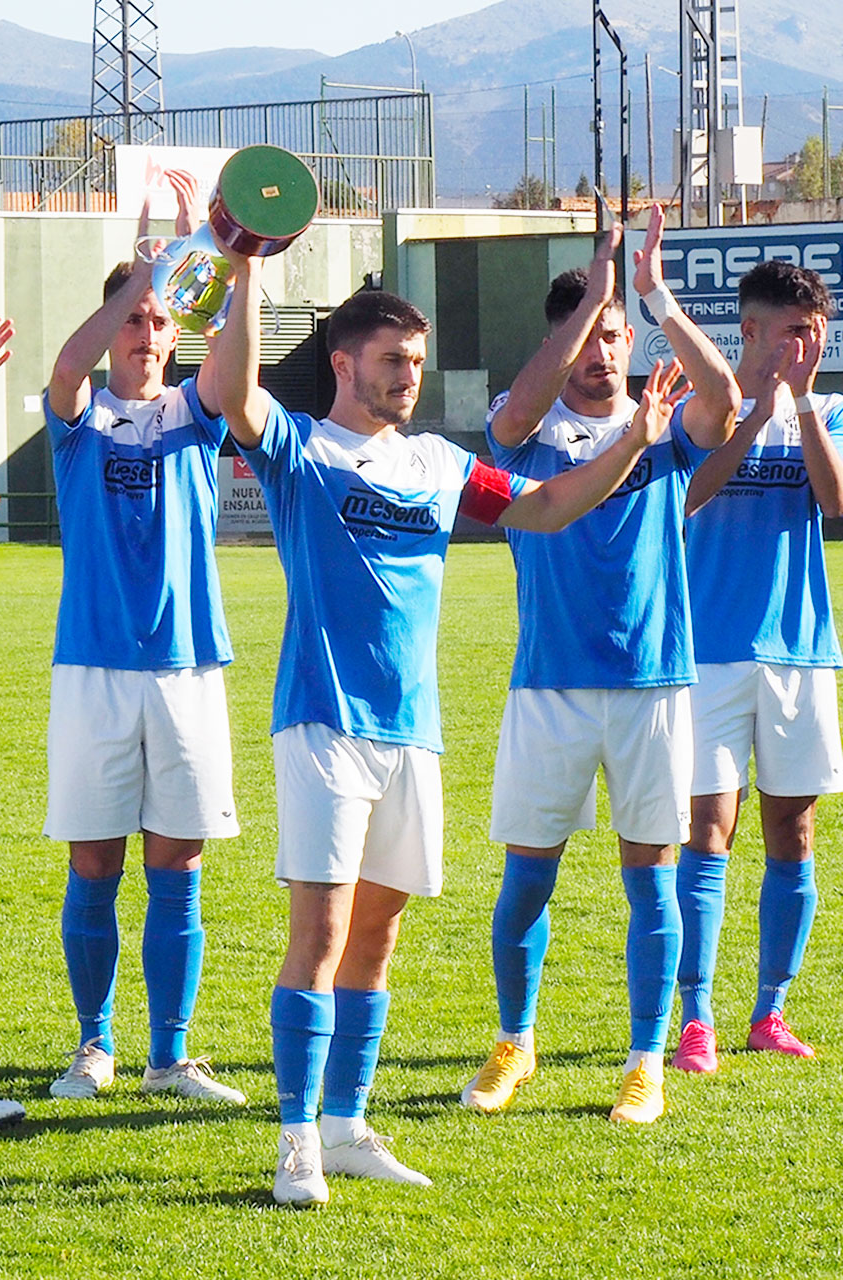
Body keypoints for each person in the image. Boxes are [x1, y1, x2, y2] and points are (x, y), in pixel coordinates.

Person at [214, 239, 691, 1206]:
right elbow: (231, 392)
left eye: (416, 363)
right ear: (344, 364)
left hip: (413, 731)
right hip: (322, 721)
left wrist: (635, 439)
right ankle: (297, 1138)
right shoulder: (301, 449)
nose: (408, 376)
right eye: (392, 361)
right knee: (322, 928)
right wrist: (244, 274)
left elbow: (551, 505)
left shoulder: (438, 463)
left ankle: (347, 1122)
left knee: (379, 933)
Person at [465, 208, 739, 1126]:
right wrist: (593, 285)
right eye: (589, 333)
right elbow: (514, 410)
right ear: (563, 337)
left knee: (649, 877)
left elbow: (726, 399)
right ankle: (515, 1040)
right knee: (528, 879)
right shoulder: (525, 434)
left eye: (615, 335)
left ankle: (645, 1059)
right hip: (548, 684)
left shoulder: (665, 426)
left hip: (655, 683)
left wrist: (651, 289)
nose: (603, 350)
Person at [40, 173, 247, 1107]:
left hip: (187, 666)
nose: (144, 332)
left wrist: (205, 266)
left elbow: (231, 371)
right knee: (95, 862)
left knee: (180, 860)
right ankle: (94, 1046)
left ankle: (169, 1054)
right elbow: (63, 369)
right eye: (132, 318)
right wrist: (144, 271)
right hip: (92, 666)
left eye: (160, 321)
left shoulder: (197, 414)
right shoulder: (80, 417)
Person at [670, 259, 843, 1071]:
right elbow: (688, 496)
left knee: (793, 829)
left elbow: (836, 502)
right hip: (704, 654)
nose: (805, 346)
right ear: (750, 332)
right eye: (791, 333)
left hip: (799, 653)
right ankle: (696, 1018)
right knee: (708, 831)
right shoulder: (701, 410)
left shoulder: (828, 409)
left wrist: (801, 404)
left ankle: (769, 1011)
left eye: (815, 334)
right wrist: (750, 417)